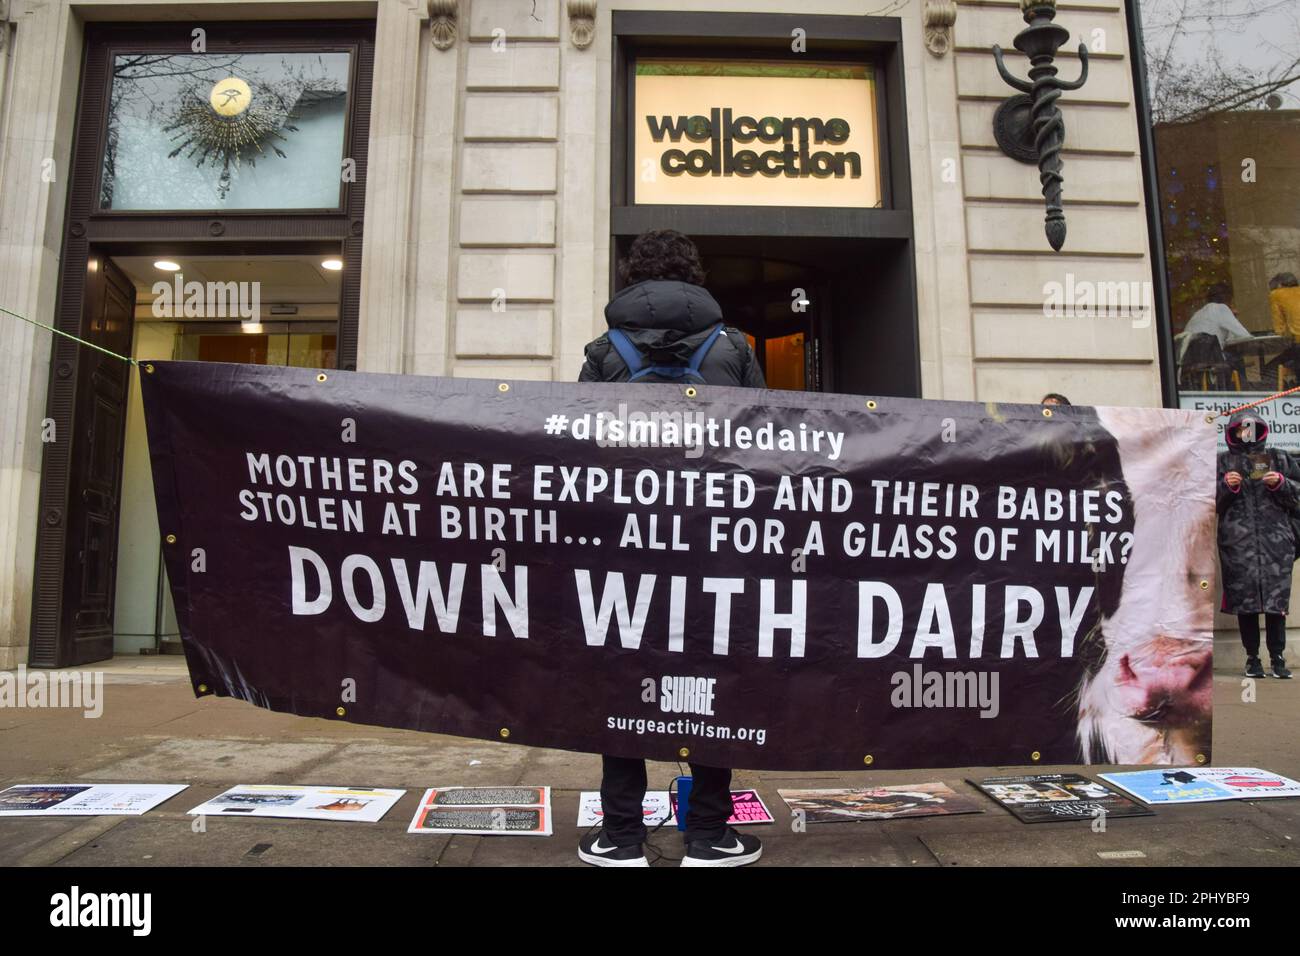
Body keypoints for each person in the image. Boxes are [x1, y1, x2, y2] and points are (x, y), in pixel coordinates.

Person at [576, 229, 765, 867]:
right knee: (717, 682)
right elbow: (767, 448)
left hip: (626, 550)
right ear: (694, 277)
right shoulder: (734, 347)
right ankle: (710, 833)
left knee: (620, 676)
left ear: (633, 278)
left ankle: (621, 835)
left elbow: (578, 447)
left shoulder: (606, 350)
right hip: (715, 548)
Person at [1217, 409, 1298, 679]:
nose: (1247, 433)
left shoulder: (1279, 458)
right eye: (1242, 428)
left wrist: (1281, 484)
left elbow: (1298, 496)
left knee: (1276, 604)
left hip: (1276, 545)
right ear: (1233, 432)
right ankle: (1252, 659)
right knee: (1246, 603)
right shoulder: (1222, 462)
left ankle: (1278, 657)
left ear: (1261, 429)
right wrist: (1227, 486)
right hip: (1238, 546)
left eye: (1252, 428)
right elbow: (1205, 503)